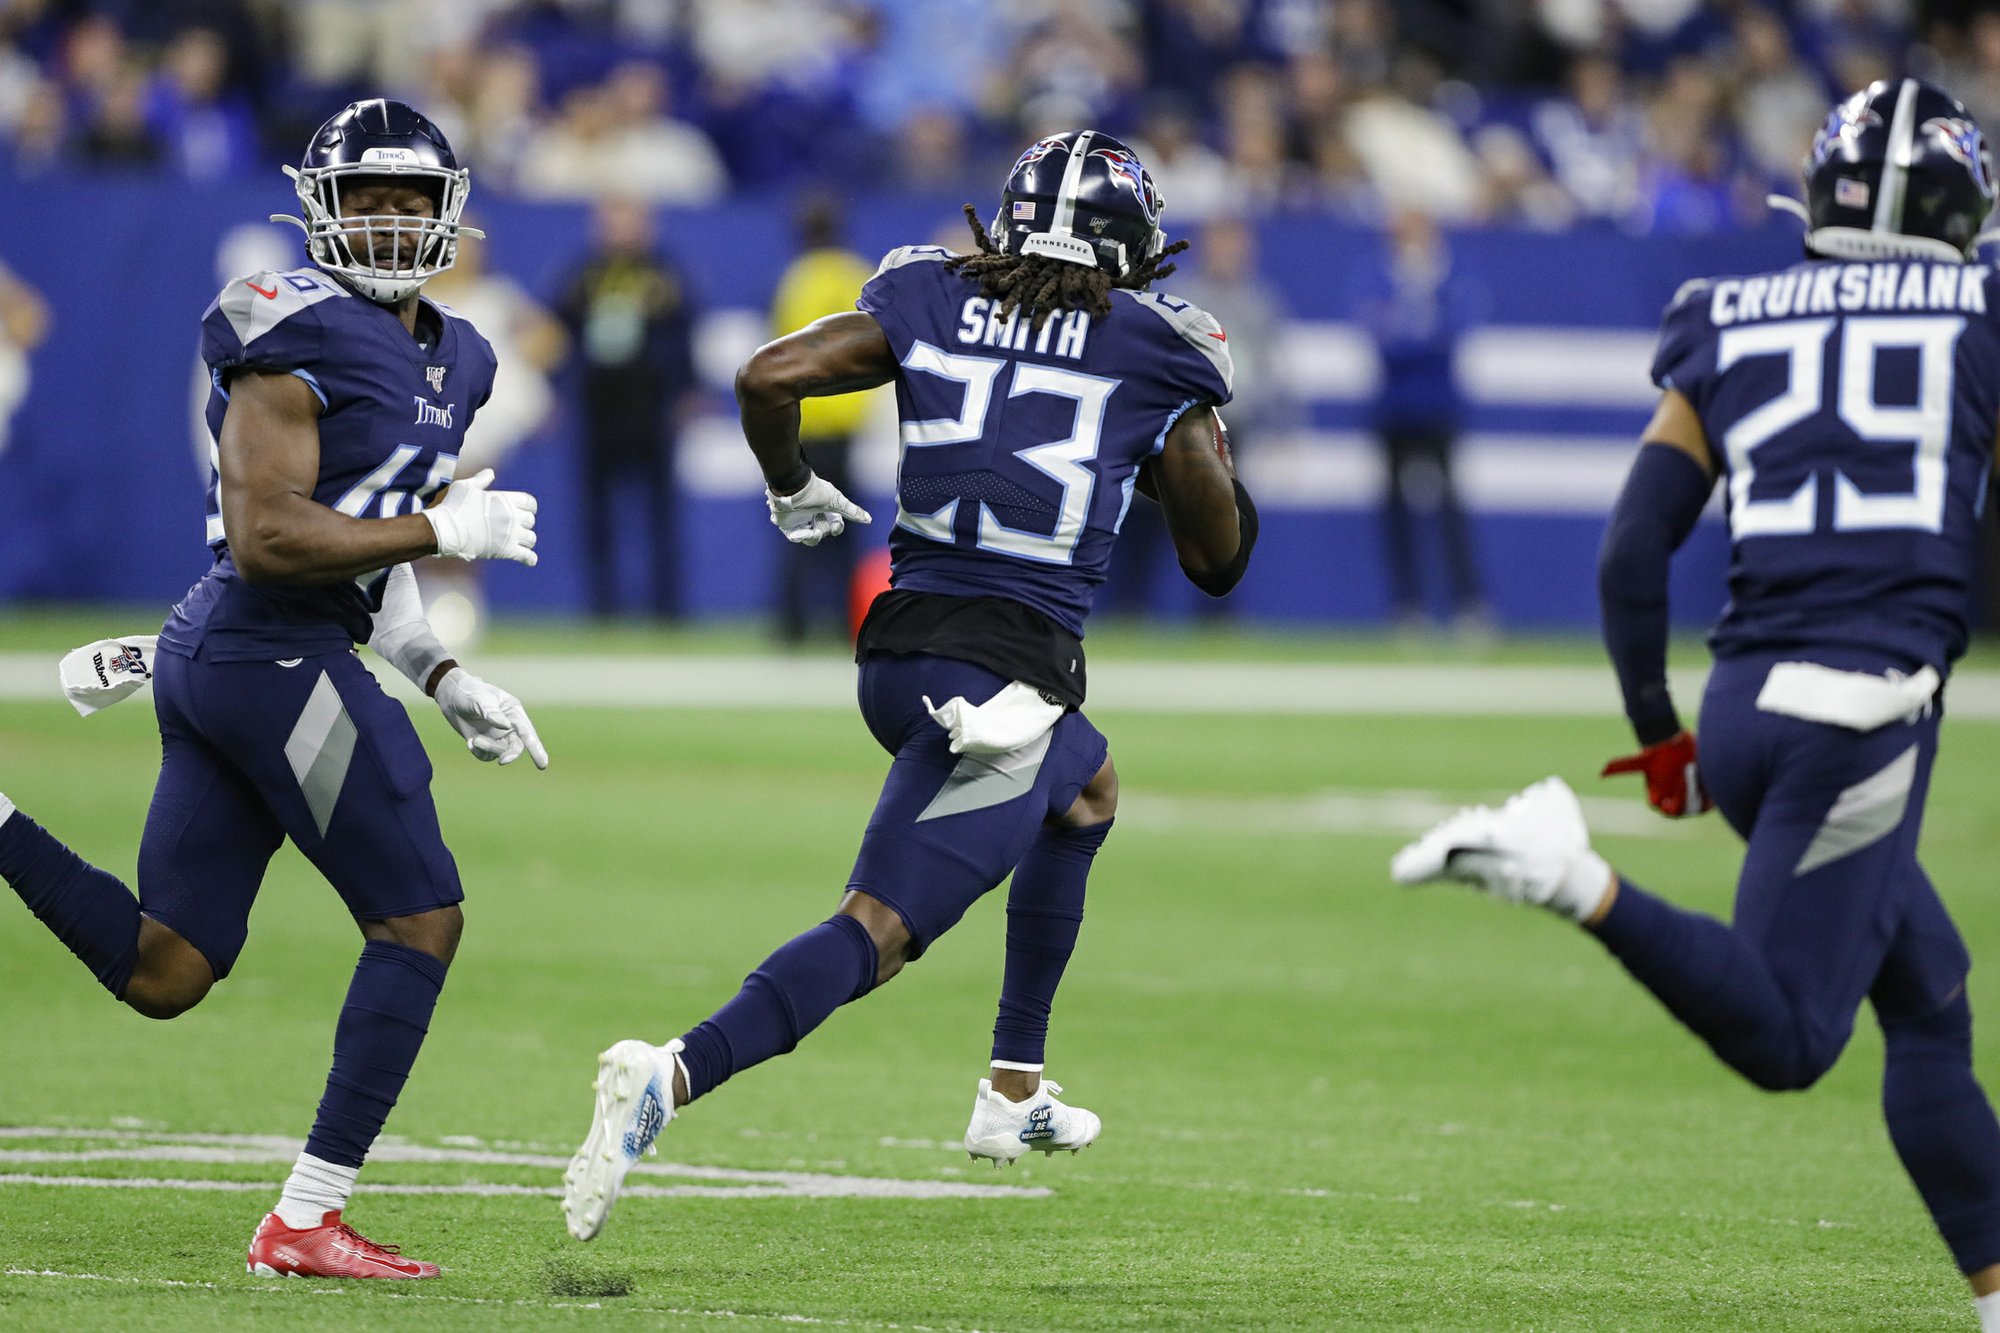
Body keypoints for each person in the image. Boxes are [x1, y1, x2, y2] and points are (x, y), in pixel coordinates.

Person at [562, 130, 1258, 1241]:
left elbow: (765, 376)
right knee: (876, 931)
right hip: (1003, 683)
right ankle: (670, 1071)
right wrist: (1197, 422)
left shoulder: (928, 290)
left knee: (1087, 790)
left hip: (898, 656)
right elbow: (1216, 560)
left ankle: (1012, 1091)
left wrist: (790, 483)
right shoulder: (1155, 347)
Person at [1392, 80, 2000, 1328]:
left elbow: (1631, 552)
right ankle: (1568, 876)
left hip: (1739, 709)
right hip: (1859, 706)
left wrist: (1657, 732)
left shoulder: (1731, 315)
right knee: (1789, 1039)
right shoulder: (1979, 310)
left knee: (1927, 992)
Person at [0, 99, 547, 1280]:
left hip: (242, 655)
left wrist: (442, 672)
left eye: (413, 201)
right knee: (421, 918)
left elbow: (373, 554)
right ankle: (305, 1217)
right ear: (319, 209)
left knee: (167, 969)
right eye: (369, 199)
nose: (394, 222)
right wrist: (440, 522)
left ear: (451, 212)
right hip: (265, 649)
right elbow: (267, 539)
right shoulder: (285, 323)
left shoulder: (463, 354)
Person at [557, 196, 699, 621]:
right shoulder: (585, 274)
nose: (620, 231)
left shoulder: (665, 274)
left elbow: (685, 333)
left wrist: (687, 390)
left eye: (628, 221)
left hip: (651, 407)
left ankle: (666, 610)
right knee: (597, 515)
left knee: (660, 514)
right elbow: (557, 333)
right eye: (612, 221)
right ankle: (604, 609)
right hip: (600, 406)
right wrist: (557, 390)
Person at [1357, 207, 1489, 633]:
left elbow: (1453, 330)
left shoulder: (1449, 273)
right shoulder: (1379, 273)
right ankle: (1407, 606)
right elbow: (1378, 336)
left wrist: (1411, 327)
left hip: (1438, 409)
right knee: (1396, 512)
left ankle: (1468, 605)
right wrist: (1416, 330)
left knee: (1450, 509)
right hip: (1394, 410)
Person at [768, 192, 877, 644]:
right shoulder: (858, 275)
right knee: (845, 528)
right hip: (846, 425)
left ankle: (792, 627)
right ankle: (843, 623)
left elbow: (780, 353)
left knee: (796, 524)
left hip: (803, 425)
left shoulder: (797, 280)